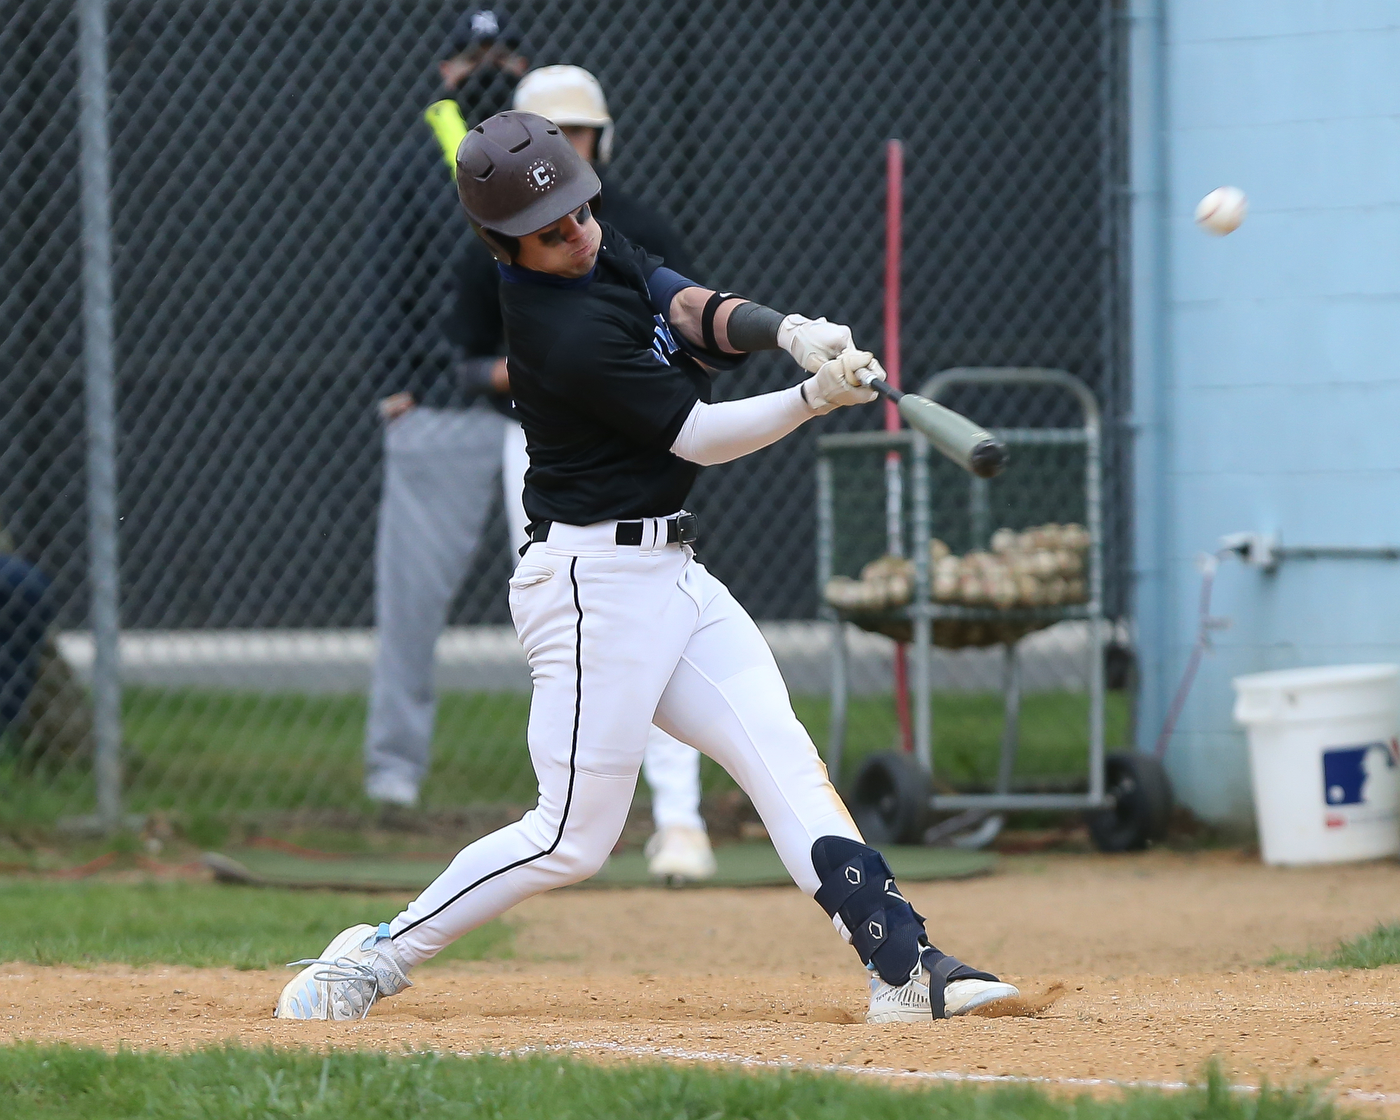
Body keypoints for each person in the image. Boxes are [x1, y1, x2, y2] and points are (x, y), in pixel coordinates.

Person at [276, 112, 1018, 1025]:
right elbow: (698, 436)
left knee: (781, 754)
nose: (578, 236)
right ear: (502, 245)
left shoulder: (592, 244)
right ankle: (374, 958)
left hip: (671, 570)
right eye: (550, 233)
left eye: (581, 213)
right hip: (593, 592)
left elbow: (681, 301)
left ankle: (905, 970)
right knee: (571, 837)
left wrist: (786, 330)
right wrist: (811, 397)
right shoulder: (558, 331)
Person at [440, 64, 716, 880]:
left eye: (583, 134)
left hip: (646, 435)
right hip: (538, 446)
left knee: (662, 618)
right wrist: (550, 374)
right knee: (589, 633)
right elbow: (462, 360)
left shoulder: (623, 224)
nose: (569, 221)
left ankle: (678, 820)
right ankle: (575, 805)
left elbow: (688, 315)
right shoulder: (496, 245)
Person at [360, 9, 529, 809]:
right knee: (412, 601)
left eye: (500, 54)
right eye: (472, 59)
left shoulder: (552, 161)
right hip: (443, 405)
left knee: (578, 600)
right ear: (445, 73)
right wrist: (399, 385)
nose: (486, 69)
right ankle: (393, 777)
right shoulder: (411, 163)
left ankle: (587, 778)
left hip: (545, 410)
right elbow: (383, 276)